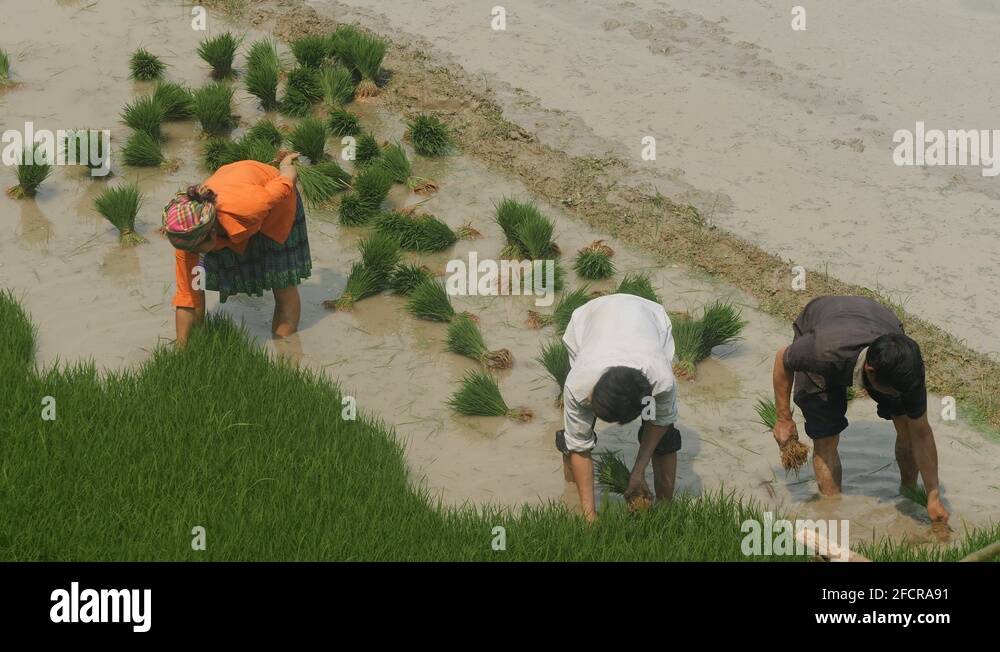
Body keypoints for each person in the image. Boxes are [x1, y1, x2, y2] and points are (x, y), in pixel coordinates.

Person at [771, 295, 949, 523]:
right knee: (825, 438)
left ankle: (908, 494)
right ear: (870, 370)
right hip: (826, 325)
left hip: (878, 319)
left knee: (907, 427)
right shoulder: (822, 352)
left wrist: (933, 495)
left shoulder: (907, 369)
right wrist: (783, 418)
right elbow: (782, 359)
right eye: (892, 391)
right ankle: (831, 511)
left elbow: (921, 433)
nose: (898, 396)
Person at [163, 154, 310, 347]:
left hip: (276, 204)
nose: (194, 254)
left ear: (213, 234)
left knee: (281, 281)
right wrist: (182, 353)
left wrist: (286, 168)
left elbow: (282, 186)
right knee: (195, 283)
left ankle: (285, 345)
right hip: (233, 182)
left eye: (198, 249)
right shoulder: (187, 236)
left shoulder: (249, 206)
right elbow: (188, 296)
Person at [558, 293, 680, 522]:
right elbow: (579, 445)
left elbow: (660, 421)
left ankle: (666, 512)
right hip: (590, 318)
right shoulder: (578, 384)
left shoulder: (661, 379)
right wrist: (590, 517)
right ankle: (574, 500)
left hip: (649, 317)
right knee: (572, 439)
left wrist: (638, 470)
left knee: (665, 438)